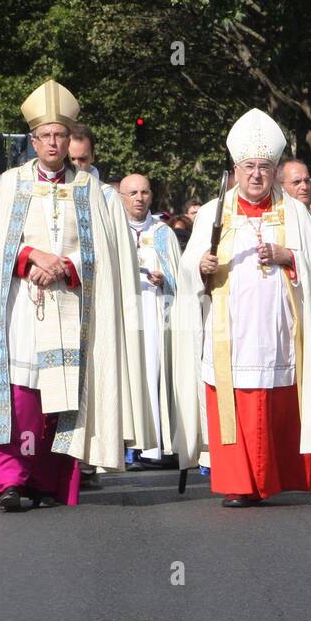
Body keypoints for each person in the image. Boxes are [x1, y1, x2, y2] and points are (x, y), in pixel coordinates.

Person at [0, 80, 143, 511]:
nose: (53, 142)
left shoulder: (90, 189)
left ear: (69, 139)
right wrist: (31, 258)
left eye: (61, 135)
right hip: (24, 305)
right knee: (22, 396)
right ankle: (11, 480)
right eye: (46, 136)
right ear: (34, 140)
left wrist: (69, 266)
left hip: (72, 304)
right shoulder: (12, 182)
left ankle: (47, 481)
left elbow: (104, 251)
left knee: (60, 399)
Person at [170, 108, 311, 507]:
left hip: (279, 331)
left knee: (272, 408)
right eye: (249, 167)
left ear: (275, 172)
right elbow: (188, 273)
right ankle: (239, 484)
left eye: (264, 168)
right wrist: (201, 268)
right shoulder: (213, 212)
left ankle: (272, 478)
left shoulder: (292, 212)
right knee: (234, 406)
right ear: (235, 169)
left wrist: (287, 254)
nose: (256, 175)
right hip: (230, 333)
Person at [119, 173, 182, 467]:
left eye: (144, 192)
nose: (139, 198)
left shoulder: (163, 233)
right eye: (132, 193)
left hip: (154, 312)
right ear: (121, 197)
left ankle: (153, 446)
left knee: (152, 374)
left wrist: (164, 279)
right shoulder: (113, 230)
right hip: (121, 314)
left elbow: (179, 278)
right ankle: (122, 447)